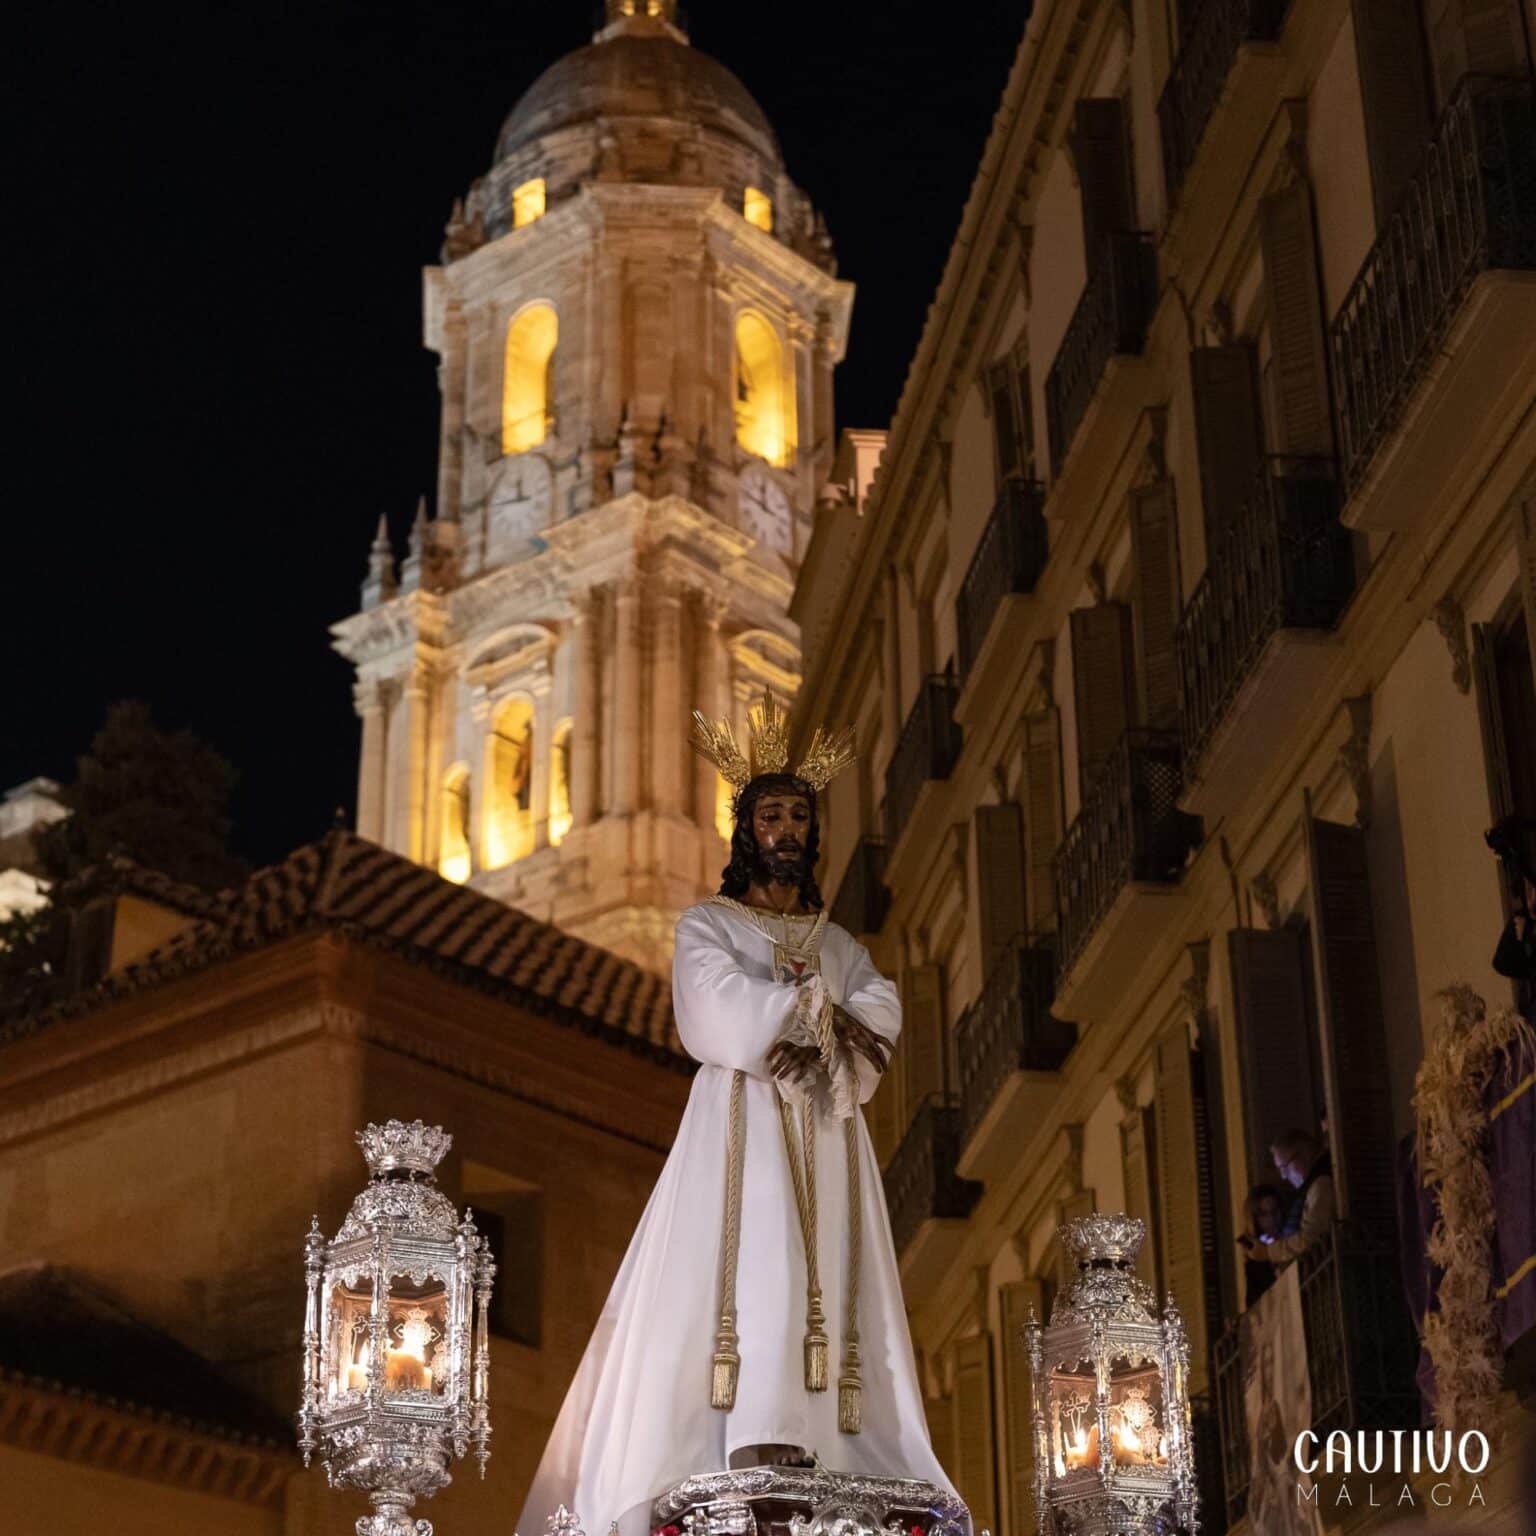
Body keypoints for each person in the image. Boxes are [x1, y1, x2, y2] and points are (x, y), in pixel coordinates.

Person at [515, 691, 954, 1536]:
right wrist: (801, 1025)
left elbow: (879, 1009)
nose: (785, 830)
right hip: (743, 1122)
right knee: (757, 1263)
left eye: (798, 816)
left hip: (826, 1127)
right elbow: (709, 1007)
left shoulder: (839, 944)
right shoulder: (706, 923)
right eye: (771, 817)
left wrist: (815, 1026)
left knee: (825, 1266)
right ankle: (751, 1434)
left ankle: (834, 1438)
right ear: (746, 830)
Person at [1244, 1129, 1334, 1268]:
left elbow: (1312, 1237)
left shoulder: (1321, 1183)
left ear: (1304, 1152)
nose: (1284, 1176)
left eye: (1285, 1167)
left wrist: (1270, 1252)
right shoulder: (1312, 1186)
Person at [1236, 1183, 1286, 1305]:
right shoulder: (1255, 1255)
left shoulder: (1291, 1234)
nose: (1272, 1219)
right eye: (1264, 1215)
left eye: (1275, 1211)